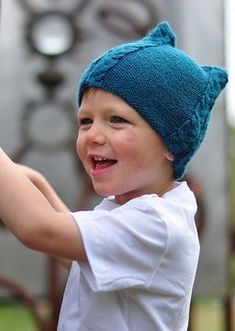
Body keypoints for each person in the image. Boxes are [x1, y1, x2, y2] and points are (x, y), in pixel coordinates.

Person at [0, 21, 228, 331]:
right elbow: (83, 257)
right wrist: (37, 183)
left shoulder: (156, 223)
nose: (93, 135)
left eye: (116, 120)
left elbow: (40, 230)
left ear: (171, 143)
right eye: (85, 121)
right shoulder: (140, 209)